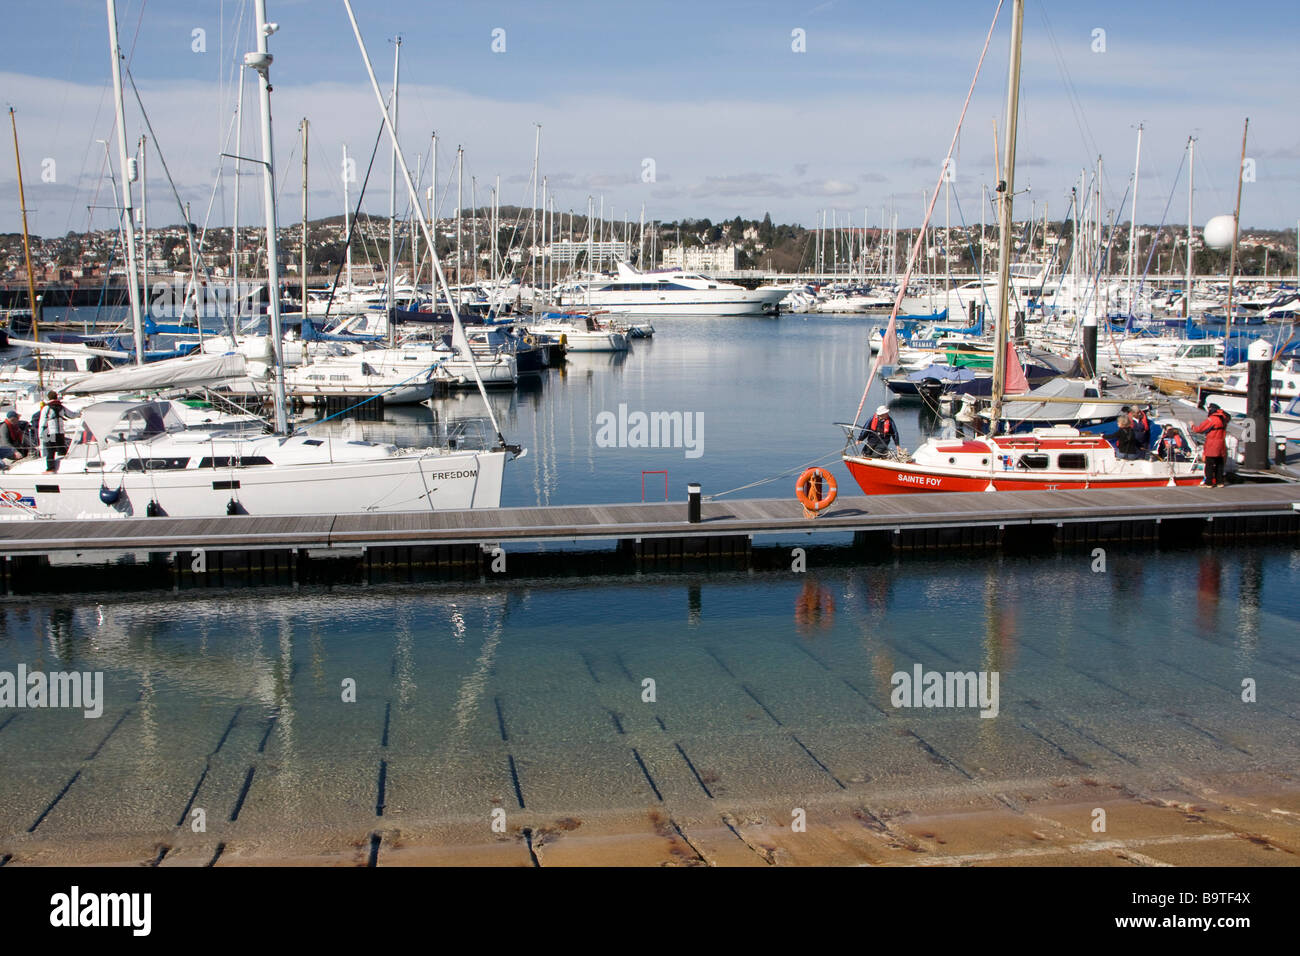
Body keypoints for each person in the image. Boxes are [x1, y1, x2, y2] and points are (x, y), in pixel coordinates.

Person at [1192, 403, 1231, 487]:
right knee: (1219, 463)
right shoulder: (1224, 418)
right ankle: (1219, 482)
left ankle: (1208, 482)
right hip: (1221, 443)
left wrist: (1192, 425)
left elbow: (1199, 429)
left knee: (1209, 463)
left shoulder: (1212, 419)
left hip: (1212, 443)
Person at [36, 391, 73, 473]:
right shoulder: (61, 407)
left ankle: (50, 468)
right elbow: (72, 415)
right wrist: (80, 412)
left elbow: (42, 422)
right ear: (56, 397)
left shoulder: (46, 408)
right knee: (61, 450)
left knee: (50, 451)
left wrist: (41, 434)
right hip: (60, 432)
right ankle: (66, 468)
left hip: (49, 432)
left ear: (48, 398)